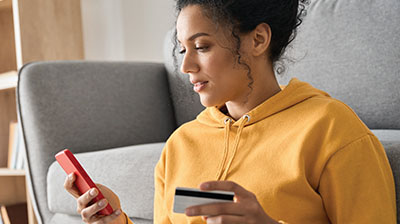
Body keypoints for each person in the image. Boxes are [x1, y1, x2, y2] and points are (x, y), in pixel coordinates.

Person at [64, 0, 397, 223]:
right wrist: (116, 219)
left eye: (202, 46)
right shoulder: (181, 144)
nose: (185, 65)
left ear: (258, 39)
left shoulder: (332, 130)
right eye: (182, 49)